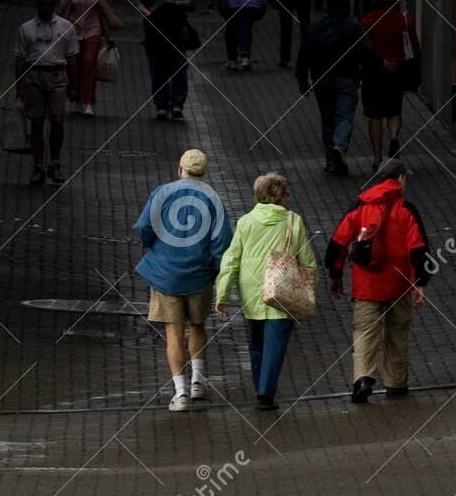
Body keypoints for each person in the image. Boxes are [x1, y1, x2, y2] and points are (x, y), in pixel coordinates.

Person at [133, 149, 232, 412]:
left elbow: (144, 228)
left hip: (165, 274)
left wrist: (153, 247)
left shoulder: (162, 193)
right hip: (200, 275)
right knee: (197, 326)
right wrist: (215, 269)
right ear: (203, 172)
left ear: (180, 170)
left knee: (173, 333)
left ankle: (180, 394)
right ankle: (198, 382)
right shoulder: (213, 199)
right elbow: (221, 242)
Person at [325, 159, 430, 402]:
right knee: (397, 333)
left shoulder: (360, 206)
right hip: (399, 284)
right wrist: (420, 281)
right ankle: (396, 383)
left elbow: (338, 243)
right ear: (400, 179)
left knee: (364, 332)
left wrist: (336, 275)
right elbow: (419, 248)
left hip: (366, 285)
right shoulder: (406, 208)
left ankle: (362, 379)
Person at [215, 172, 317, 410]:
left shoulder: (245, 222)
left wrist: (221, 294)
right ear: (281, 196)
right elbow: (308, 261)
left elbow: (230, 260)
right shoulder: (294, 221)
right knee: (276, 344)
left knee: (257, 343)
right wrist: (309, 292)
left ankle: (260, 386)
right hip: (282, 290)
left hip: (251, 292)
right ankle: (265, 393)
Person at [296, 0, 371, 175]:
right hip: (347, 78)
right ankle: (339, 146)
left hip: (321, 79)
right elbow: (366, 51)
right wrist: (364, 73)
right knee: (344, 116)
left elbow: (304, 53)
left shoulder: (316, 27)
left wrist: (302, 79)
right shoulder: (353, 27)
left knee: (327, 119)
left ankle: (331, 160)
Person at [14, 0, 79, 186]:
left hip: (58, 76)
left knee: (57, 120)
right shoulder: (26, 29)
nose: (46, 9)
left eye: (49, 6)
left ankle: (55, 162)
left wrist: (74, 85)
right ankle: (38, 166)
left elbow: (72, 56)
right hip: (34, 76)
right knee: (36, 122)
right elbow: (19, 58)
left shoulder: (66, 27)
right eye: (43, 6)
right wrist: (20, 85)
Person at [361, 0, 421, 170]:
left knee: (374, 115)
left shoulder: (365, 21)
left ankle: (378, 156)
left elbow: (362, 49)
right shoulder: (404, 20)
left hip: (374, 72)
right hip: (398, 69)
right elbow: (414, 46)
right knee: (394, 110)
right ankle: (394, 137)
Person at [136, 0, 195, 121]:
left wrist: (176, 3)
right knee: (157, 69)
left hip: (176, 30)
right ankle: (161, 104)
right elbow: (138, 1)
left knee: (179, 68)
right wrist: (149, 14)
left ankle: (177, 103)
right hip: (155, 32)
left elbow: (192, 3)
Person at [57, 0, 118, 118]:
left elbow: (107, 11)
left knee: (89, 64)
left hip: (93, 31)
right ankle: (76, 98)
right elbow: (61, 11)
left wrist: (108, 35)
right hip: (74, 32)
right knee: (74, 66)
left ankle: (88, 102)